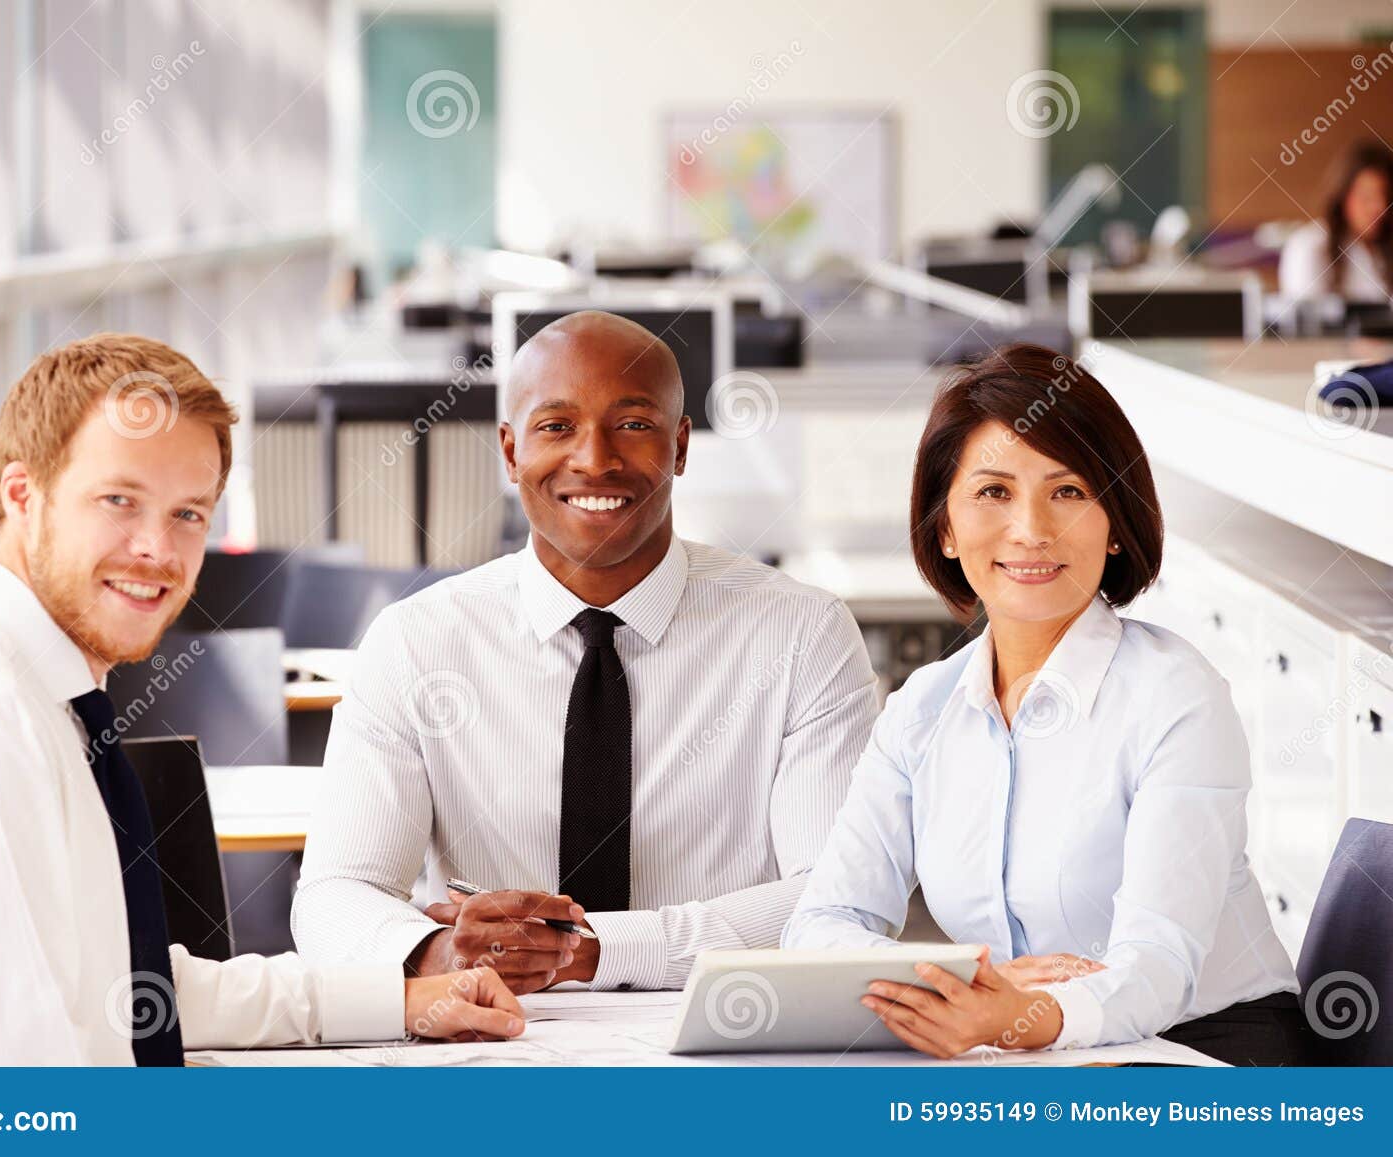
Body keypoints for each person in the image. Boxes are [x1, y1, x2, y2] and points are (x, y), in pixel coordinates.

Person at [0, 334, 523, 1064]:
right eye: (120, 500)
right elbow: (19, 1093)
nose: (158, 549)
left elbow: (125, 990)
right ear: (22, 495)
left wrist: (398, 999)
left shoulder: (46, 701)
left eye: (188, 514)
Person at [292, 311, 879, 993]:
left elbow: (838, 898)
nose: (595, 459)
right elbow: (336, 891)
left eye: (633, 424)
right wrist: (434, 953)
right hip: (492, 1042)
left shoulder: (803, 634)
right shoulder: (416, 642)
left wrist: (601, 949)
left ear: (681, 446)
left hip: (721, 1042)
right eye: (556, 426)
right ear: (510, 452)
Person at [784, 344, 1306, 1066]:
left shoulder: (1175, 695)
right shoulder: (923, 710)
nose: (1031, 528)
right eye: (993, 492)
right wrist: (975, 982)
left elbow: (1156, 965)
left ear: (1116, 521)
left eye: (1068, 491)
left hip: (1202, 1050)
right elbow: (820, 922)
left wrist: (1016, 1012)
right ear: (945, 526)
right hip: (1025, 1046)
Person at [1278, 140, 1393, 320]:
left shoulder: (1382, 247)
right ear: (1343, 195)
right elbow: (1306, 327)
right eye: (1367, 197)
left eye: (1385, 196)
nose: (1379, 207)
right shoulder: (1310, 246)